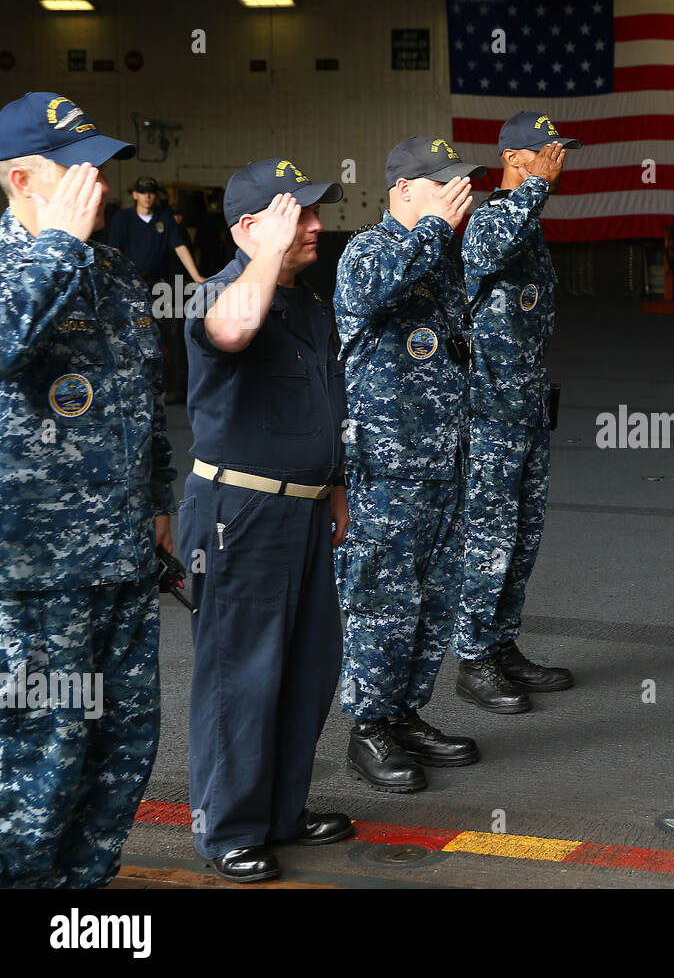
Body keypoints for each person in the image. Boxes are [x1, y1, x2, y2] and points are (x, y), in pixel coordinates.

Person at [0, 92, 176, 888]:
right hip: (33, 587)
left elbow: (145, 401)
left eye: (98, 170)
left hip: (123, 566)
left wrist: (161, 502)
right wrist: (56, 252)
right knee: (37, 772)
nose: (95, 187)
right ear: (18, 179)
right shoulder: (23, 268)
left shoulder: (113, 275)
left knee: (117, 760)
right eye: (73, 172)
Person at [178, 158, 352, 881]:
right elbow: (233, 332)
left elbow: (321, 405)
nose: (316, 226)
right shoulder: (224, 293)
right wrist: (266, 256)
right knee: (241, 676)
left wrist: (333, 486)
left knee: (308, 670)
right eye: (299, 215)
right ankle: (231, 827)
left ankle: (282, 810)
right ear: (249, 227)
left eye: (315, 213)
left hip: (305, 513)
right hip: (240, 514)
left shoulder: (306, 304)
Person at [333, 137, 485, 791]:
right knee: (383, 601)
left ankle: (403, 712)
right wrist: (431, 229)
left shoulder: (439, 261)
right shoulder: (368, 251)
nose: (459, 196)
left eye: (461, 184)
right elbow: (374, 288)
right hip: (387, 472)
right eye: (441, 185)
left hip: (441, 464)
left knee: (433, 597)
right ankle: (367, 728)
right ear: (402, 191)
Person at [453, 113, 577, 712]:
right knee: (489, 535)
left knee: (523, 535)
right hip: (489, 411)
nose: (559, 159)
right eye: (548, 151)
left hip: (525, 406)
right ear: (516, 157)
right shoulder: (490, 216)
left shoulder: (527, 221)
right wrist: (537, 188)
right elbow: (485, 250)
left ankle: (502, 646)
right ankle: (473, 658)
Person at [108, 176, 204, 404]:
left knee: (169, 334)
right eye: (143, 192)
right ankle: (128, 385)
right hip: (129, 284)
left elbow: (179, 246)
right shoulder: (124, 218)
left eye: (151, 192)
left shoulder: (165, 219)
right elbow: (114, 250)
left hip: (158, 284)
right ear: (135, 195)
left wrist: (196, 276)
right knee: (131, 332)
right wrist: (112, 279)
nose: (147, 196)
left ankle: (170, 387)